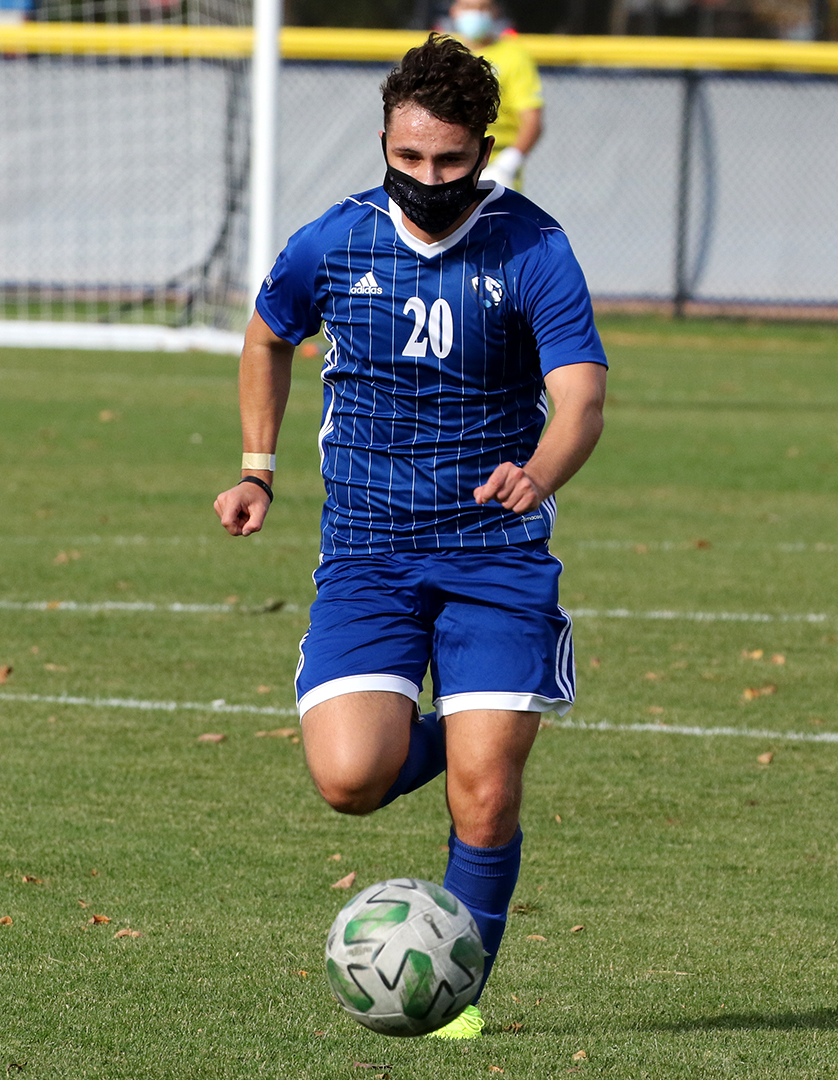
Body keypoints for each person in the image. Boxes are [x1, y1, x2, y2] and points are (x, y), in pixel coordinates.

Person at [212, 35, 608, 1040]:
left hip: (495, 558)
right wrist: (258, 466)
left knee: (484, 793)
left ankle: (451, 995)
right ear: (385, 140)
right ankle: (488, 731)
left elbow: (582, 400)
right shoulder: (334, 242)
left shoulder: (533, 247)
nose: (429, 179)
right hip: (368, 555)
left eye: (451, 160)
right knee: (350, 780)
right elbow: (268, 335)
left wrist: (541, 471)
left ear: (484, 146)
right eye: (410, 158)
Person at [447, 0, 544, 189]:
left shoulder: (514, 55)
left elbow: (532, 121)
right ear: (454, 11)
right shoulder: (445, 54)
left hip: (497, 167)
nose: (475, 14)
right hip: (448, 164)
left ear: (495, 11)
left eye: (483, 7)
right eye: (468, 7)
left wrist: (506, 165)